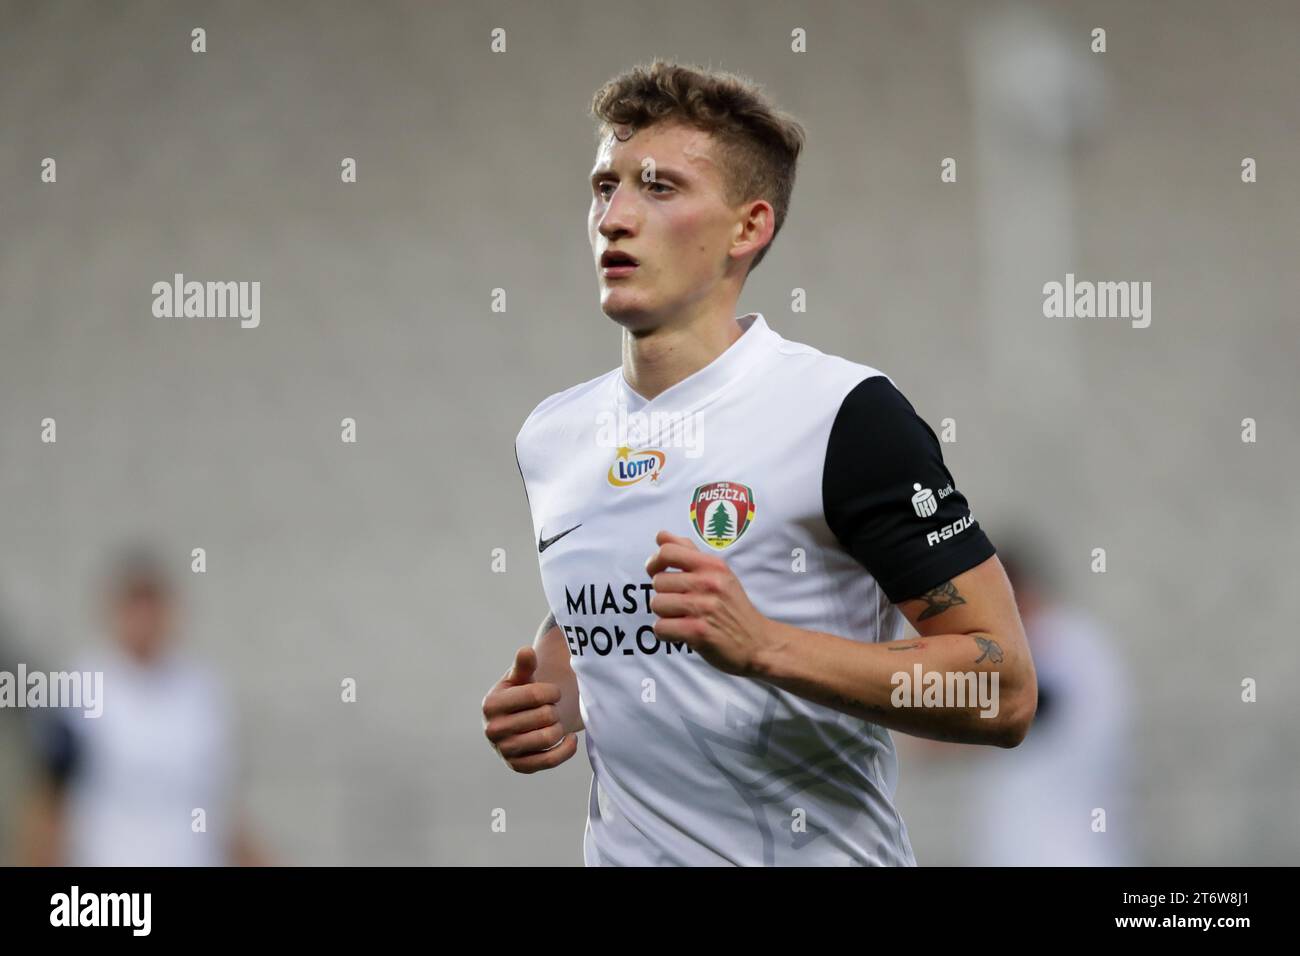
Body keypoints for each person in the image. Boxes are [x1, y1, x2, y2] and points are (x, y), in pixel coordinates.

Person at [482, 60, 1036, 866]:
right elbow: (605, 615)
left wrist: (764, 646)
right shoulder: (554, 434)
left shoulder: (844, 415)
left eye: (659, 188)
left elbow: (1003, 688)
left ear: (748, 228)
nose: (615, 217)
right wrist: (554, 696)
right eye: (605, 187)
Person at [18, 546, 266, 866]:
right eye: (135, 606)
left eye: (153, 606)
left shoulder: (201, 692)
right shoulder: (79, 690)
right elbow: (49, 802)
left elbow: (219, 807)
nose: (145, 620)